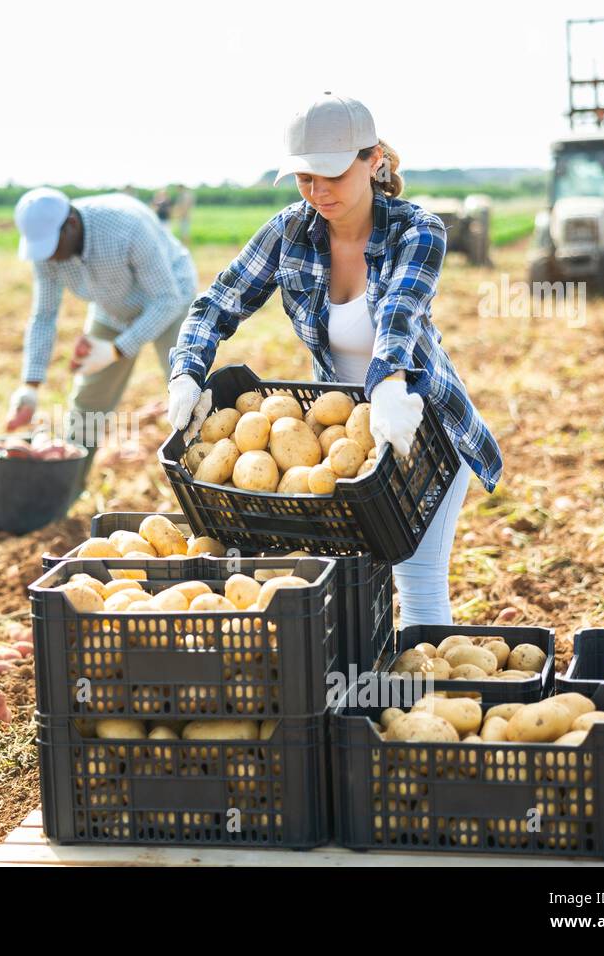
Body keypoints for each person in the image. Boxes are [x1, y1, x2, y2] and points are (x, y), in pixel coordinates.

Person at [166, 93, 503, 627]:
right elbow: (217, 303)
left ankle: (423, 703)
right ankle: (365, 700)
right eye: (305, 178)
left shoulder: (418, 229)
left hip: (420, 427)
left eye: (332, 176)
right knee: (349, 589)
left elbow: (400, 311)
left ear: (373, 163)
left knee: (416, 584)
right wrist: (186, 371)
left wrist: (389, 380)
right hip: (341, 437)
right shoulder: (290, 231)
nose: (318, 192)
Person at [7, 187, 198, 483]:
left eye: (53, 248)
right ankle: (64, 493)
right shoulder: (46, 251)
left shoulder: (126, 227)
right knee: (87, 405)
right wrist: (30, 387)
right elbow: (44, 316)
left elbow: (166, 299)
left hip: (170, 298)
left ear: (70, 224)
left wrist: (116, 349)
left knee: (187, 392)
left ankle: (211, 486)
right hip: (111, 309)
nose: (51, 258)